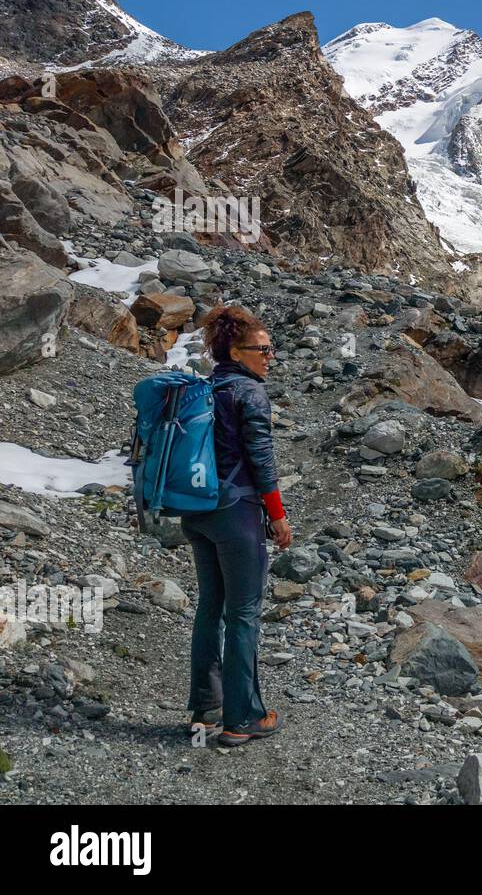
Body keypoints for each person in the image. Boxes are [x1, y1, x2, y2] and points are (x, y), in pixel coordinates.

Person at [183, 305, 292, 747]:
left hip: (197, 512)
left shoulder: (204, 389)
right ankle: (242, 718)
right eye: (262, 349)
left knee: (211, 607)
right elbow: (261, 461)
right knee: (243, 614)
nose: (270, 357)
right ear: (235, 349)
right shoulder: (250, 393)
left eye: (271, 350)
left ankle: (206, 711)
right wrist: (279, 515)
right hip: (236, 514)